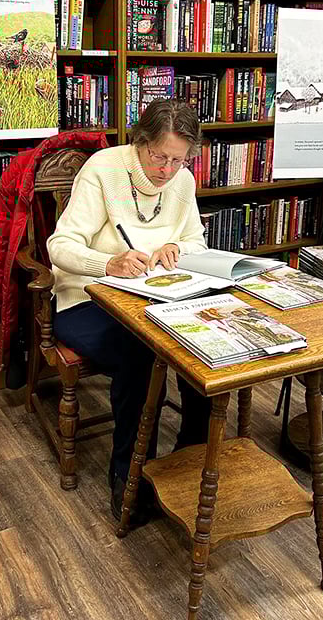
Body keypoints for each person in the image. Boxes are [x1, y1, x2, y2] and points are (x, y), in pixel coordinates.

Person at [46, 99, 212, 524]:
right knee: (140, 353)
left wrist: (178, 247)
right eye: (159, 156)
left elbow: (197, 241)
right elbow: (59, 247)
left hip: (153, 294)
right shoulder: (104, 169)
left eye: (178, 160)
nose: (166, 169)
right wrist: (108, 264)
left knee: (203, 340)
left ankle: (187, 458)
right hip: (86, 297)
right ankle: (130, 474)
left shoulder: (182, 180)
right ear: (140, 142)